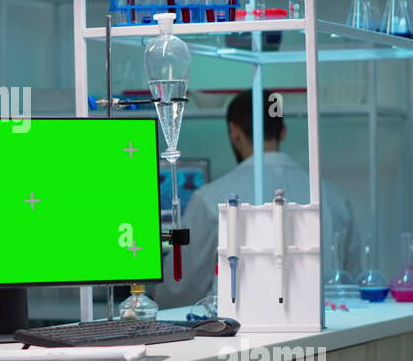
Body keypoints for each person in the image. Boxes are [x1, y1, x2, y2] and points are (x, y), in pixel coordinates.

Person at [150, 89, 362, 309]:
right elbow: (350, 282)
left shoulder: (210, 199)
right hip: (325, 334)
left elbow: (178, 289)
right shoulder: (332, 197)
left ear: (234, 131)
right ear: (283, 132)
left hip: (240, 335)